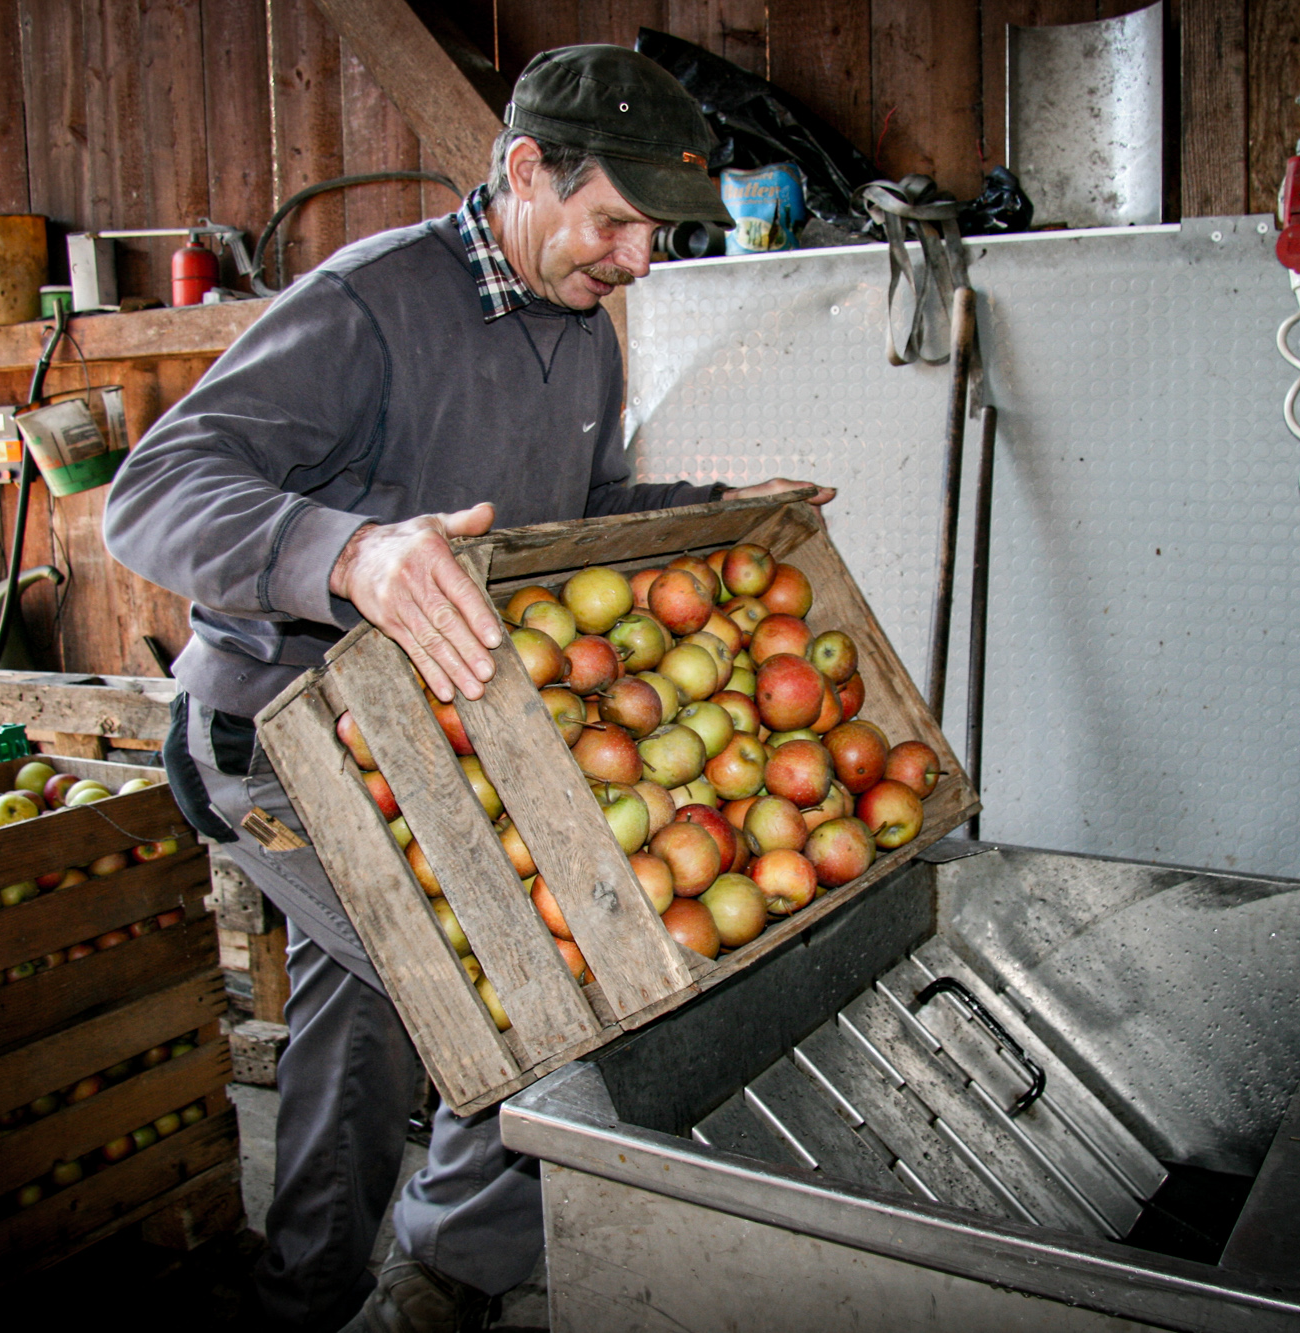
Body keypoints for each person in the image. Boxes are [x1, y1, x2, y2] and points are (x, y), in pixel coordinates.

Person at [103, 43, 831, 1333]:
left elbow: (579, 517)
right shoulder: (372, 306)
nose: (639, 262)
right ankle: (444, 1276)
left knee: (370, 1010)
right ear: (525, 170)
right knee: (523, 975)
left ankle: (302, 1293)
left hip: (418, 738)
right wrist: (351, 552)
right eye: (617, 222)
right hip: (277, 731)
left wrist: (720, 511)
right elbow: (151, 494)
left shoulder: (585, 340)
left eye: (656, 234)